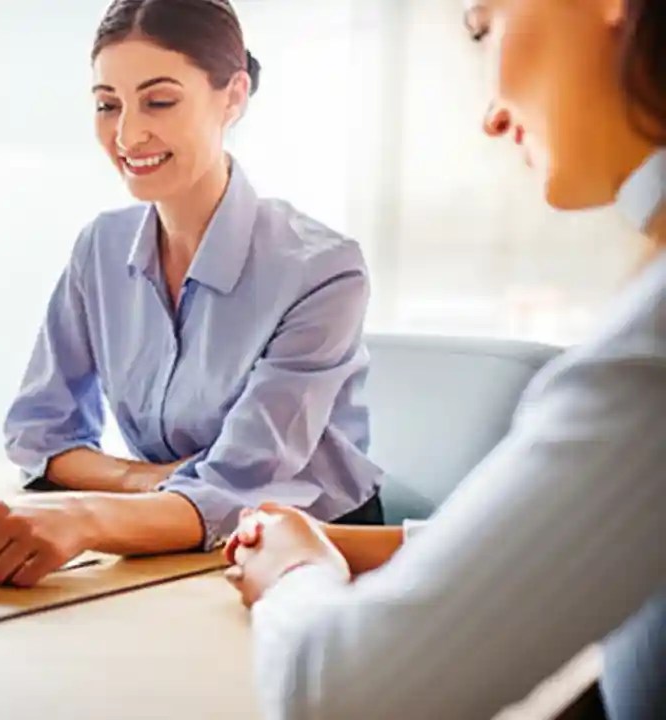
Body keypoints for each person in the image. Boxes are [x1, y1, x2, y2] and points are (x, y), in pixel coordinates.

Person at [223, 0, 666, 717]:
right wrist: (351, 546)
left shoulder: (652, 350)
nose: (491, 114)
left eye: (483, 27)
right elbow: (576, 530)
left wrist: (295, 572)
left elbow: (339, 694)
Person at [0, 0, 383, 589]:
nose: (127, 134)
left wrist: (93, 508)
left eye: (159, 101)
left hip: (309, 555)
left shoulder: (321, 270)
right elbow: (39, 435)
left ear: (233, 96)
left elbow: (237, 486)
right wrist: (143, 482)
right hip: (164, 532)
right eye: (107, 105)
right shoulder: (101, 248)